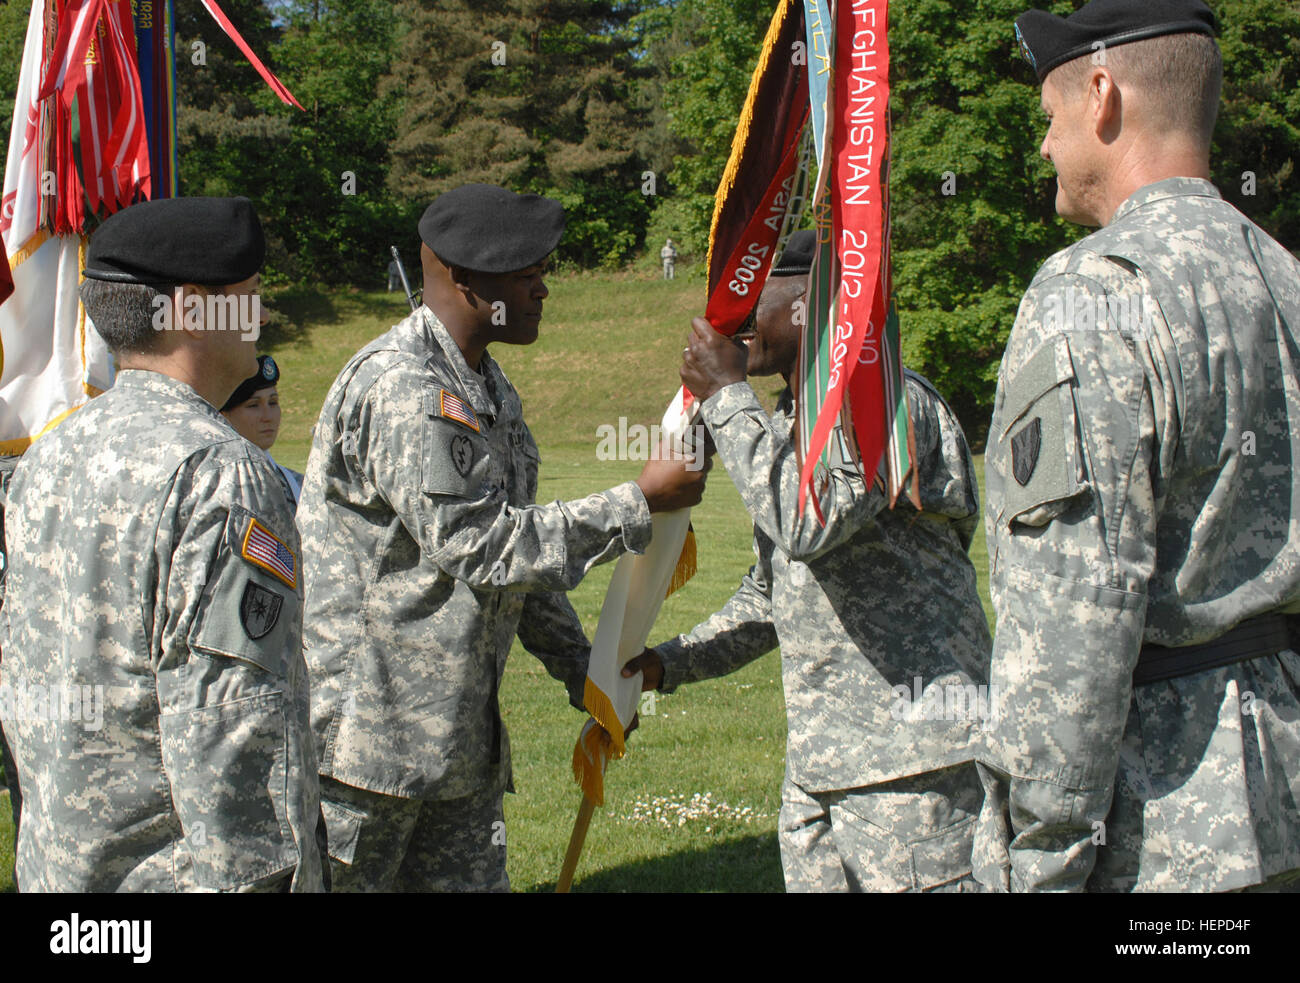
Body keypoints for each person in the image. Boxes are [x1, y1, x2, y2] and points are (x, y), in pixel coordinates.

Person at [297, 183, 709, 892]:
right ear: (464, 278)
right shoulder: (403, 385)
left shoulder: (489, 389)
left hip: (458, 749)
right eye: (527, 276)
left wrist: (582, 667)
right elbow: (481, 545)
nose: (544, 291)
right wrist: (637, 504)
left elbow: (516, 564)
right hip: (368, 753)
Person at [976, 0, 1300, 892]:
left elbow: (1071, 618)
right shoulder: (1284, 277)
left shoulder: (1093, 291)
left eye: (1049, 117)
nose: (1044, 146)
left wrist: (1038, 853)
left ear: (1103, 95)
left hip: (1160, 829)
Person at [624, 230, 992, 892]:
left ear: (810, 300)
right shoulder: (796, 423)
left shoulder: (878, 398)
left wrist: (726, 395)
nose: (731, 319)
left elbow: (806, 520)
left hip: (914, 769)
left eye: (751, 294)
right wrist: (664, 665)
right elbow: (772, 595)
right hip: (825, 769)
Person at [0, 197, 325, 892]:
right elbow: (235, 742)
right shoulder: (221, 473)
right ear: (195, 310)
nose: (261, 317)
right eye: (250, 296)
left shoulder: (48, 457)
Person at [222, 354, 304, 506]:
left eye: (273, 402)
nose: (268, 417)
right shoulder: (218, 487)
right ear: (224, 415)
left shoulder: (299, 486)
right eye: (253, 405)